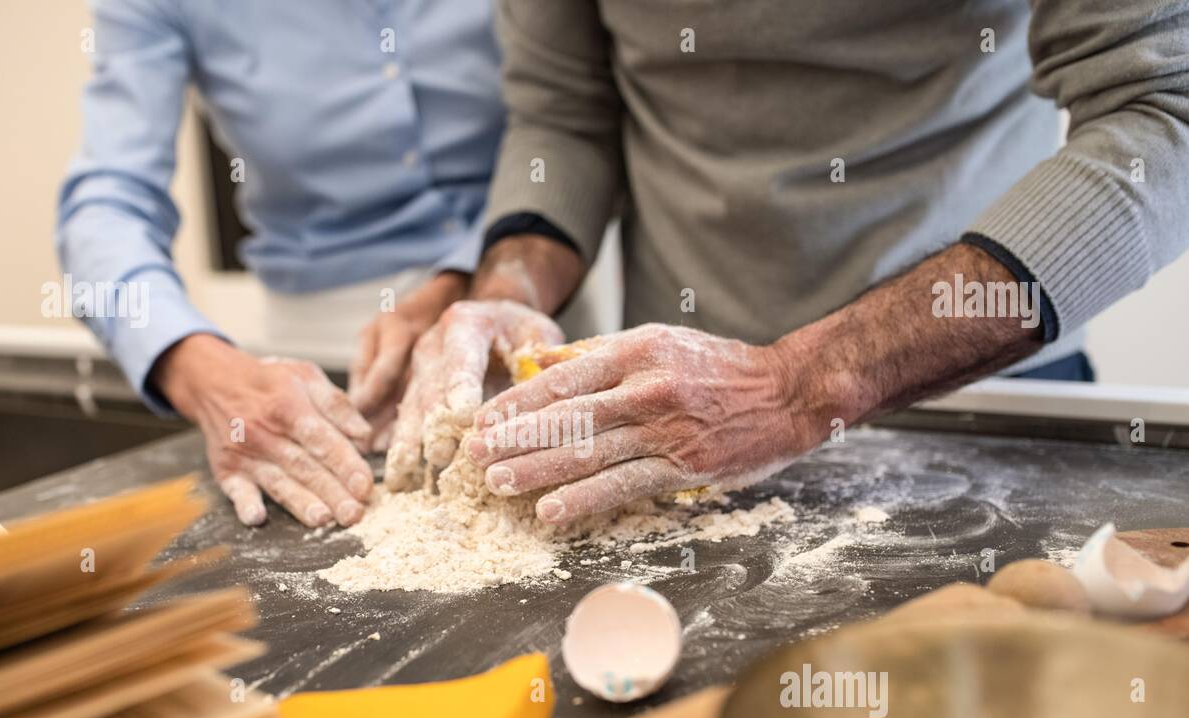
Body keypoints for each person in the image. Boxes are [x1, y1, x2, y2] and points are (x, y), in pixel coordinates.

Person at [388, 0, 1189, 524]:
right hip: (658, 429)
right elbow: (562, 113)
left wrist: (799, 384)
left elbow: (1165, 112)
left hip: (981, 388)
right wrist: (510, 284)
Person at [57, 0, 508, 528]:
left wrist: (472, 279)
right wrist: (197, 367)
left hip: (521, 283)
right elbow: (108, 204)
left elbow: (571, 123)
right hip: (327, 338)